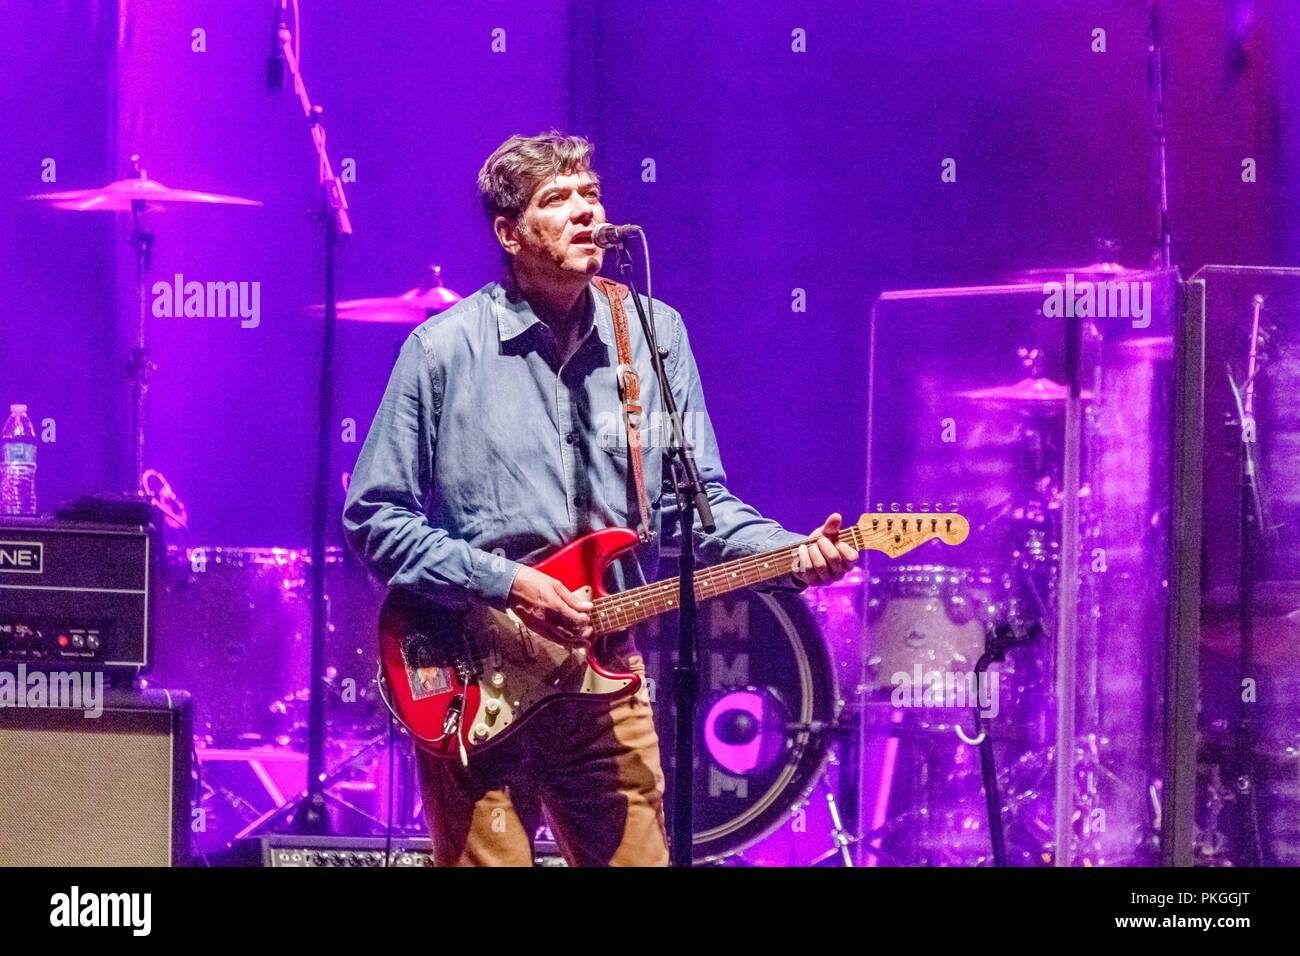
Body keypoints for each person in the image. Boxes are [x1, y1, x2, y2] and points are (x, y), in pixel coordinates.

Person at [343, 130, 858, 866]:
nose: (586, 211)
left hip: (604, 678)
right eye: (558, 199)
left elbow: (697, 503)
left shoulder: (651, 336)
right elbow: (374, 517)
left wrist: (792, 553)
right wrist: (510, 583)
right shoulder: (441, 351)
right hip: (472, 674)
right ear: (509, 233)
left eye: (591, 194)